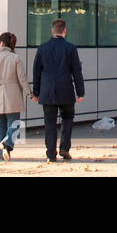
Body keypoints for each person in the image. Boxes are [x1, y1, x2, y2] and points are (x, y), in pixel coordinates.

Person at [32, 18, 85, 163]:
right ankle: (65, 148)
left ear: (52, 31)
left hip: (47, 91)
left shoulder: (42, 48)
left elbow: (36, 72)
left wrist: (35, 92)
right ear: (64, 31)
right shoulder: (70, 48)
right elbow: (77, 72)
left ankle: (50, 153)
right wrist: (80, 92)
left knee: (49, 122)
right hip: (66, 90)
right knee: (68, 118)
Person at [0, 31, 29, 161]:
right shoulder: (15, 58)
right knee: (15, 124)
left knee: (0, 125)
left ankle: (1, 154)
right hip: (12, 96)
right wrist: (30, 93)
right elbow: (22, 79)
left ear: (1, 43)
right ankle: (7, 145)